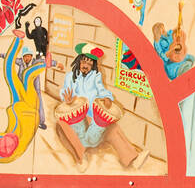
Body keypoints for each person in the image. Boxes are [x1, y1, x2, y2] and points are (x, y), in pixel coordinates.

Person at [55, 43, 147, 172]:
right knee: (63, 125)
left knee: (113, 128)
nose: (85, 65)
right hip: (77, 114)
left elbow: (101, 90)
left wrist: (107, 98)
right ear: (78, 61)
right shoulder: (70, 77)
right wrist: (67, 99)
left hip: (92, 113)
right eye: (83, 61)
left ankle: (133, 158)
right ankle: (81, 157)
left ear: (93, 65)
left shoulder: (96, 76)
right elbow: (65, 91)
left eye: (89, 63)